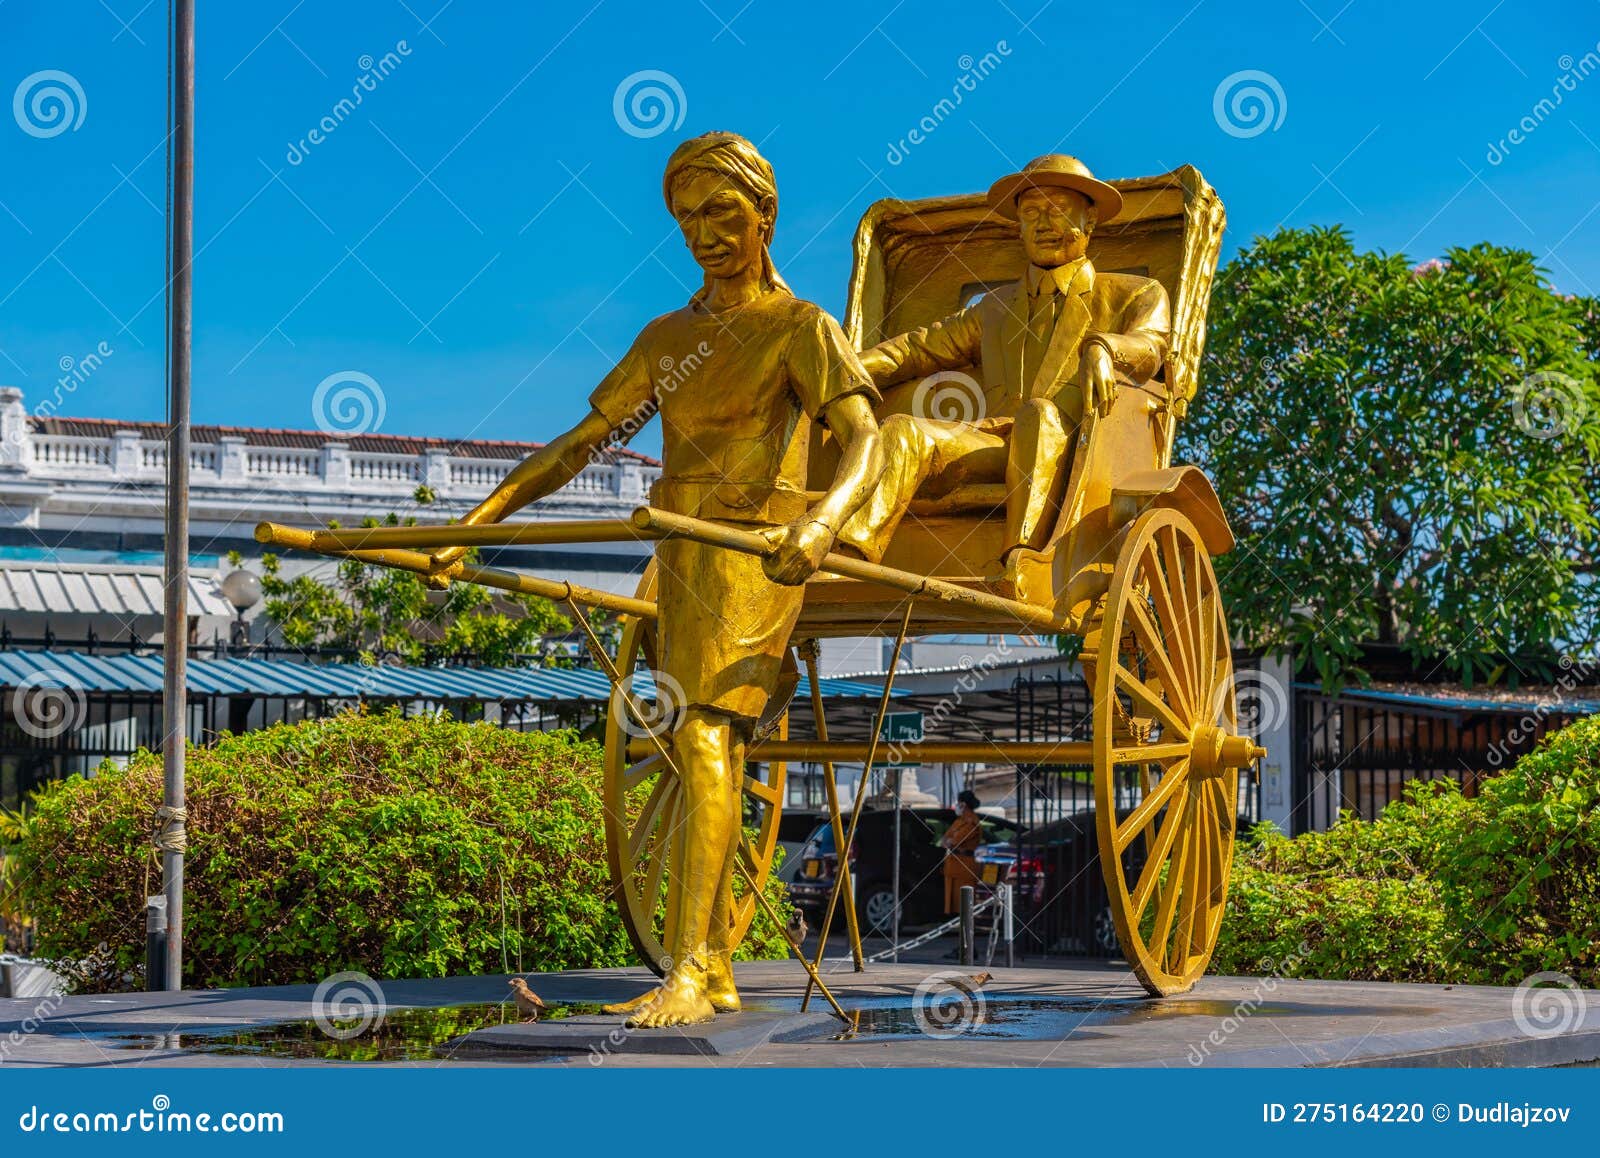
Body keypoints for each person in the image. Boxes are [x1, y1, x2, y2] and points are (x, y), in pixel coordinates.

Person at [429, 132, 885, 1027]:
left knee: (705, 734)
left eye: (722, 213)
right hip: (679, 552)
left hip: (757, 551)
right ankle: (714, 966)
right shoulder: (667, 338)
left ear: (765, 215)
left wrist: (822, 523)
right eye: (685, 220)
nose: (704, 235)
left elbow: (865, 439)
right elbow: (579, 445)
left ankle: (688, 973)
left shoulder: (801, 328)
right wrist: (474, 527)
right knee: (702, 747)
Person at [835, 154, 1171, 572]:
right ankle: (848, 558)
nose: (1043, 223)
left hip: (1079, 452)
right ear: (1019, 227)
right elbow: (916, 350)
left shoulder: (1135, 293)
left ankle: (1023, 562)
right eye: (1030, 213)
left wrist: (1105, 347)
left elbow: (1151, 344)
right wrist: (836, 372)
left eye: (1057, 210)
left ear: (1089, 220)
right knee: (902, 430)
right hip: (994, 442)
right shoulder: (992, 309)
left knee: (1039, 416)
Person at [941, 790, 985, 915]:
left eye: (958, 802)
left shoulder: (972, 822)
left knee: (964, 904)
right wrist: (949, 840)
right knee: (953, 904)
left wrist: (950, 840)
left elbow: (955, 841)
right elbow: (944, 840)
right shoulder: (959, 821)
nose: (956, 805)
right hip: (953, 865)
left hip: (965, 866)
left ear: (963, 804)